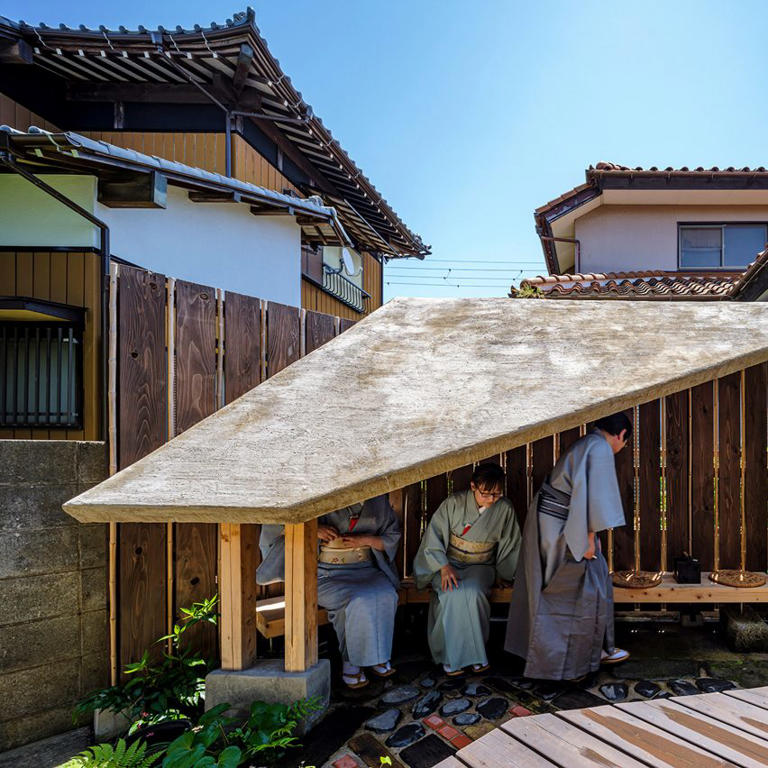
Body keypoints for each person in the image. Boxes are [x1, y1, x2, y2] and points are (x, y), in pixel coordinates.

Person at [505, 412, 632, 681]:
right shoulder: (599, 447)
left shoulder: (586, 443)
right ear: (621, 435)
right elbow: (590, 495)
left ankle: (593, 650)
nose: (622, 448)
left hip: (555, 519)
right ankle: (566, 662)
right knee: (569, 586)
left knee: (593, 577)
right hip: (562, 525)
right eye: (625, 443)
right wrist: (586, 538)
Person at [257, 494, 401, 689]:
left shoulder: (378, 499)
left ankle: (369, 658)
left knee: (386, 594)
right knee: (357, 599)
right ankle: (360, 660)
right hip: (323, 574)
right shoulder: (323, 493)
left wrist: (365, 539)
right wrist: (313, 529)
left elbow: (391, 537)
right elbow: (276, 524)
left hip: (365, 568)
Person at [413, 463, 522, 676]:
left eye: (496, 495)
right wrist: (443, 566)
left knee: (472, 591)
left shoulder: (505, 509)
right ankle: (451, 657)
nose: (491, 500)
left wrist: (503, 573)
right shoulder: (453, 503)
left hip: (480, 566)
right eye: (486, 494)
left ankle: (474, 656)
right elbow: (433, 536)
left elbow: (510, 543)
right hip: (446, 563)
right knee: (451, 592)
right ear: (473, 486)